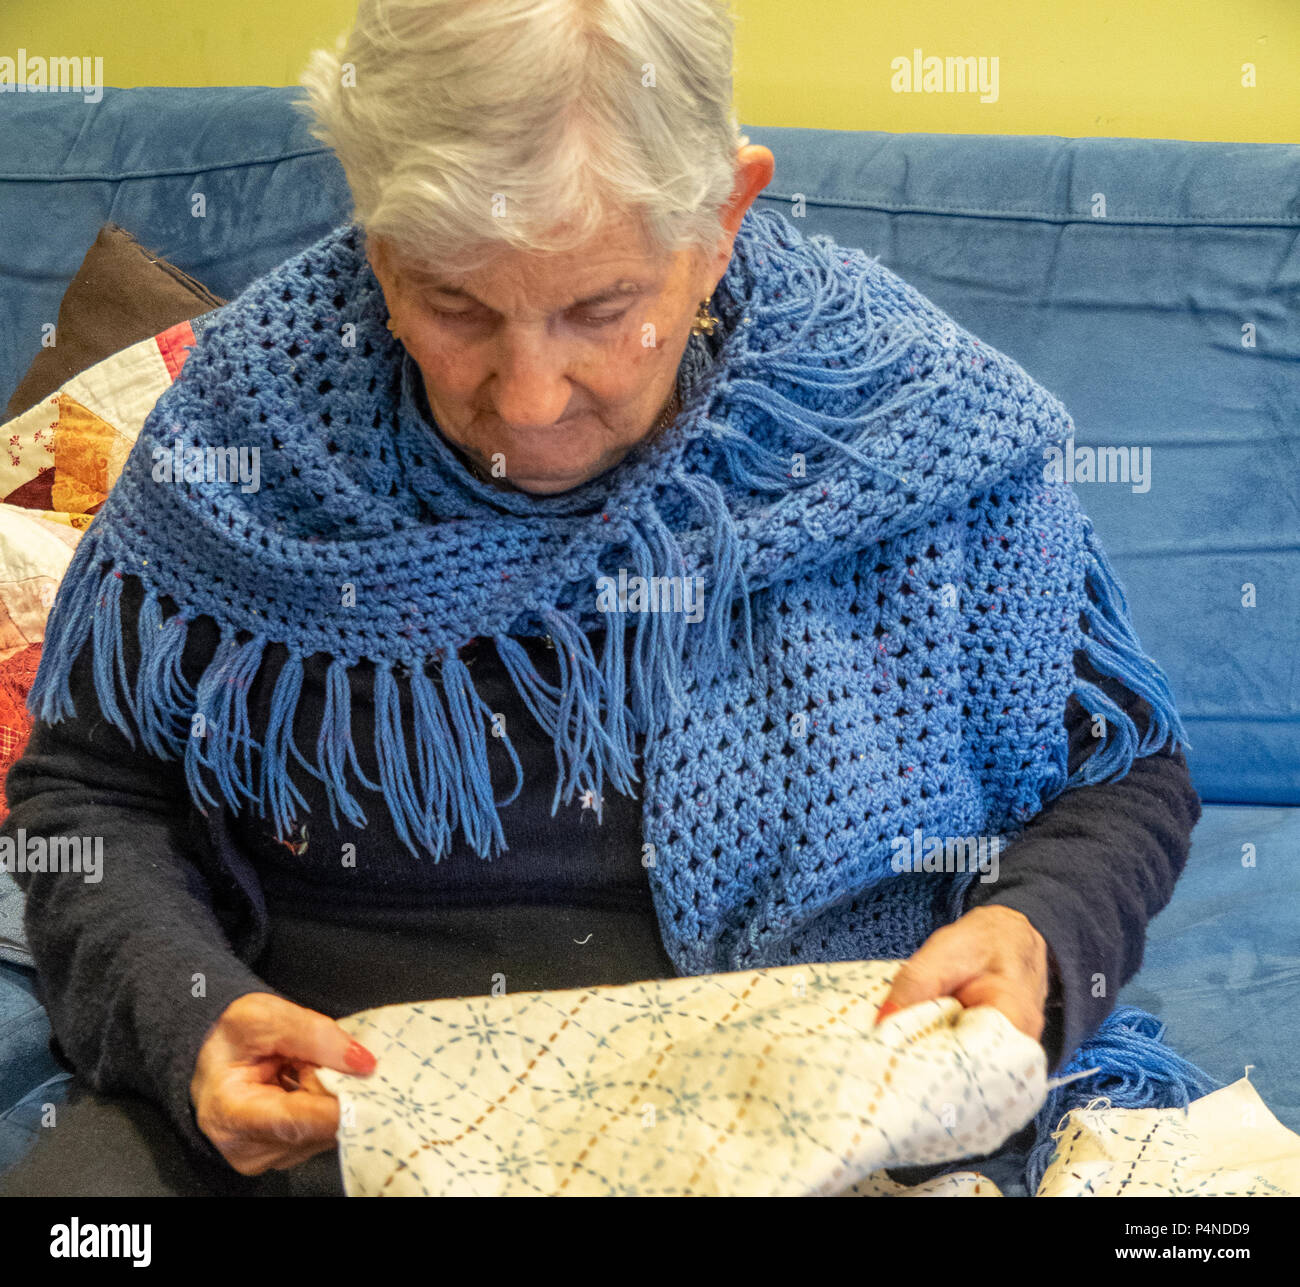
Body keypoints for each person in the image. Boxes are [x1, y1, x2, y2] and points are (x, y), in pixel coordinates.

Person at [0, 0, 1204, 1198]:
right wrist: (192, 1014)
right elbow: (91, 796)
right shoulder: (246, 422)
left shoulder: (913, 422)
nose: (528, 400)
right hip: (333, 1097)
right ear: (376, 240)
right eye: (455, 305)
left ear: (722, 218)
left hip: (785, 1094)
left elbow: (1123, 773)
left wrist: (1034, 938)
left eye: (601, 309)